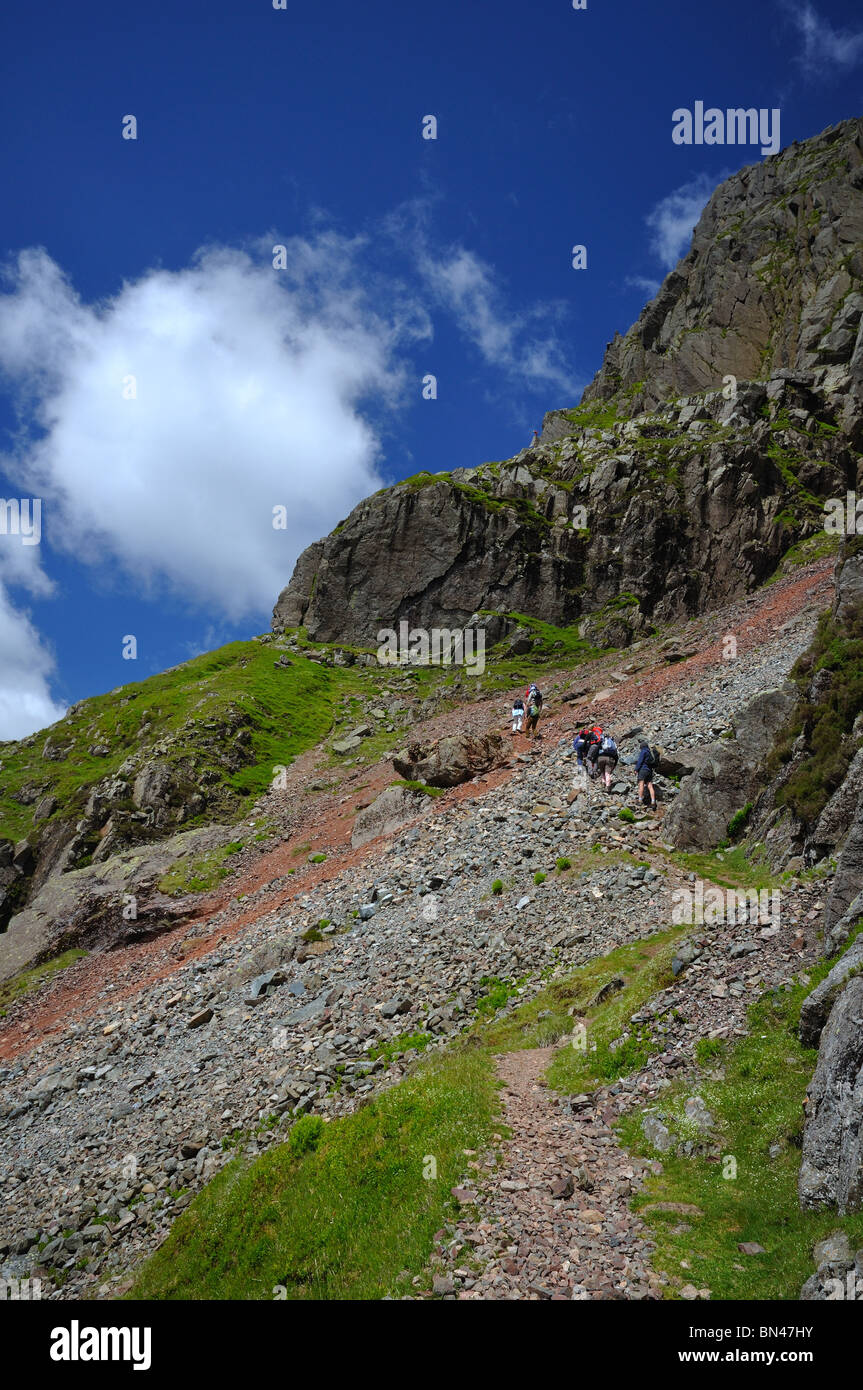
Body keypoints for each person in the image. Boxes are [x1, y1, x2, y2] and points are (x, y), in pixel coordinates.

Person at [635, 741, 657, 810]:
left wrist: (636, 769)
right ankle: (653, 802)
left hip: (643, 770)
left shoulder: (643, 751)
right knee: (650, 786)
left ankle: (640, 800)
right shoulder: (650, 753)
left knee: (641, 784)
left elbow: (640, 761)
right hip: (649, 771)